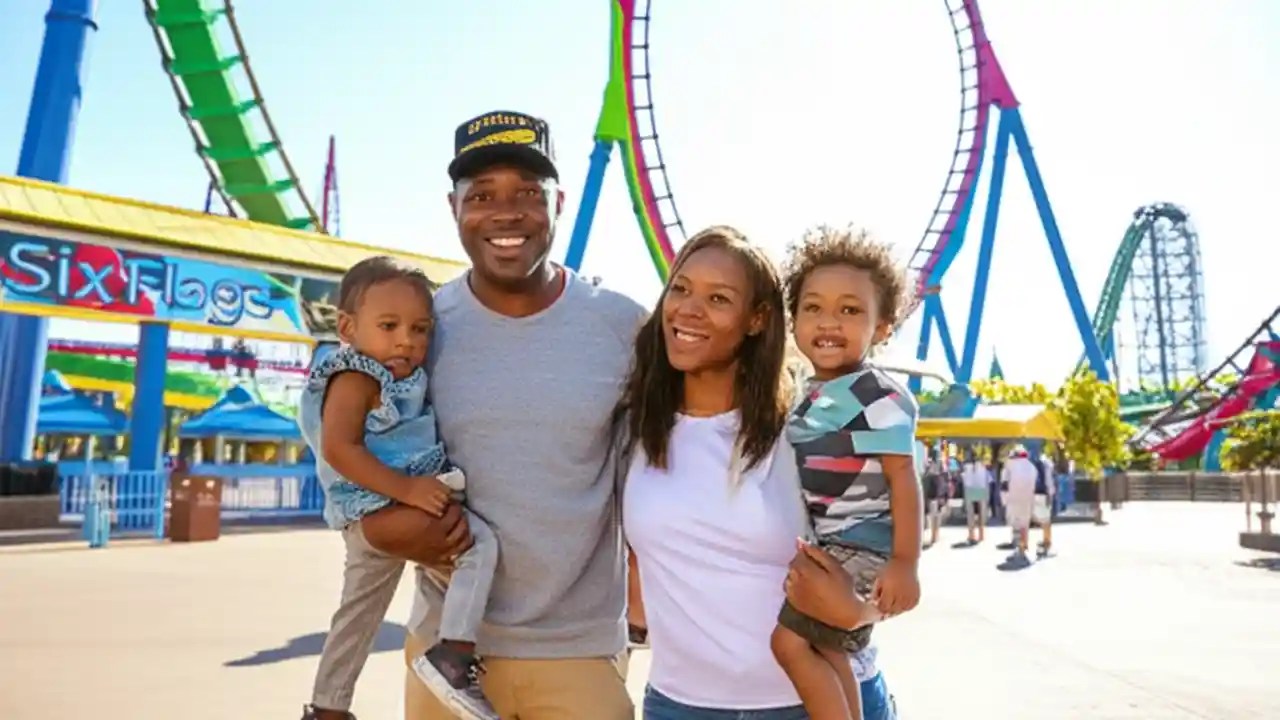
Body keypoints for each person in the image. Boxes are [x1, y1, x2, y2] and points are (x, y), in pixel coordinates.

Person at [402, 110, 646, 719]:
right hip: (443, 650)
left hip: (580, 651)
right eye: (481, 195)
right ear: (452, 207)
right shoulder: (419, 330)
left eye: (528, 194)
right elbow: (356, 458)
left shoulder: (622, 326)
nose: (506, 213)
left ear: (559, 202)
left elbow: (659, 475)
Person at [622, 226, 898, 720]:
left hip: (814, 703)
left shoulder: (809, 428)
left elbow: (882, 549)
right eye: (680, 289)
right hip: (681, 705)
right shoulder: (638, 425)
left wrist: (860, 609)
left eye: (718, 298)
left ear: (757, 319)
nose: (688, 308)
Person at [298, 256, 499, 720]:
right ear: (347, 327)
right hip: (380, 502)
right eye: (389, 326)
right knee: (478, 546)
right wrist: (406, 489)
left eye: (420, 329)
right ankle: (453, 654)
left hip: (390, 504)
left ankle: (329, 707)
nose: (406, 341)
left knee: (359, 615)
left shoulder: (406, 376)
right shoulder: (355, 377)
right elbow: (339, 448)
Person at [769, 226, 923, 719]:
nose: (829, 322)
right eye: (813, 307)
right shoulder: (804, 394)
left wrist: (904, 564)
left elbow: (904, 478)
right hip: (830, 544)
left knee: (789, 644)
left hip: (862, 546)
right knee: (828, 648)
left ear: (882, 328)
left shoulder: (877, 395)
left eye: (850, 310)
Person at [1000, 445, 1039, 561]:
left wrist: (1004, 501)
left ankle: (1019, 547)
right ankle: (1024, 545)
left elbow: (1004, 485)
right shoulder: (1032, 467)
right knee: (1025, 524)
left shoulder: (1009, 466)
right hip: (1027, 499)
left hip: (1014, 499)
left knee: (1016, 524)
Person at [961, 453, 991, 544]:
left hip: (970, 490)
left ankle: (971, 535)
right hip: (981, 489)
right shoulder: (983, 467)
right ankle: (981, 535)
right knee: (982, 513)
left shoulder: (966, 468)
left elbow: (964, 480)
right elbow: (988, 480)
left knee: (971, 514)